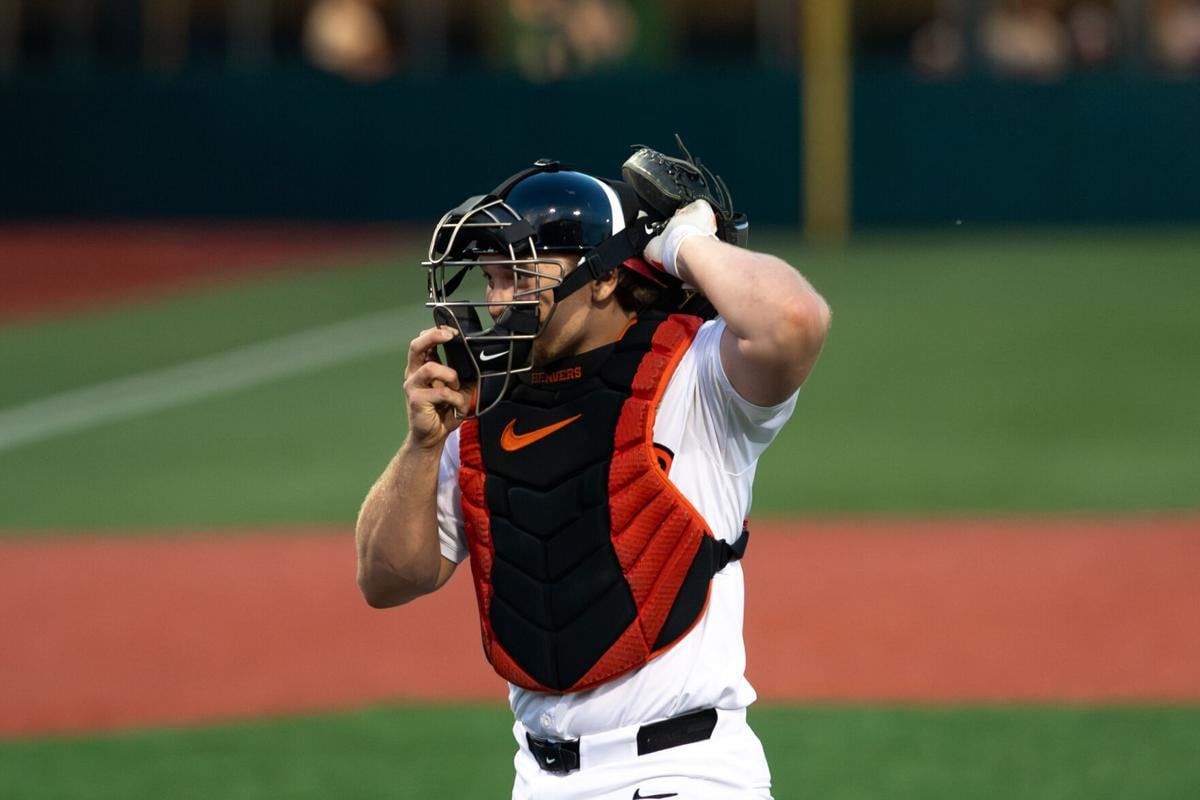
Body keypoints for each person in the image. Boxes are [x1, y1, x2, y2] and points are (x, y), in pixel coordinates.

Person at [356, 160, 831, 799]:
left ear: (604, 278)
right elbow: (386, 578)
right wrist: (421, 446)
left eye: (521, 276)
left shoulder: (697, 373)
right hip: (538, 780)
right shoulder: (480, 407)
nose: (501, 301)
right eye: (494, 279)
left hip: (684, 773)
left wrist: (684, 242)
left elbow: (794, 320)